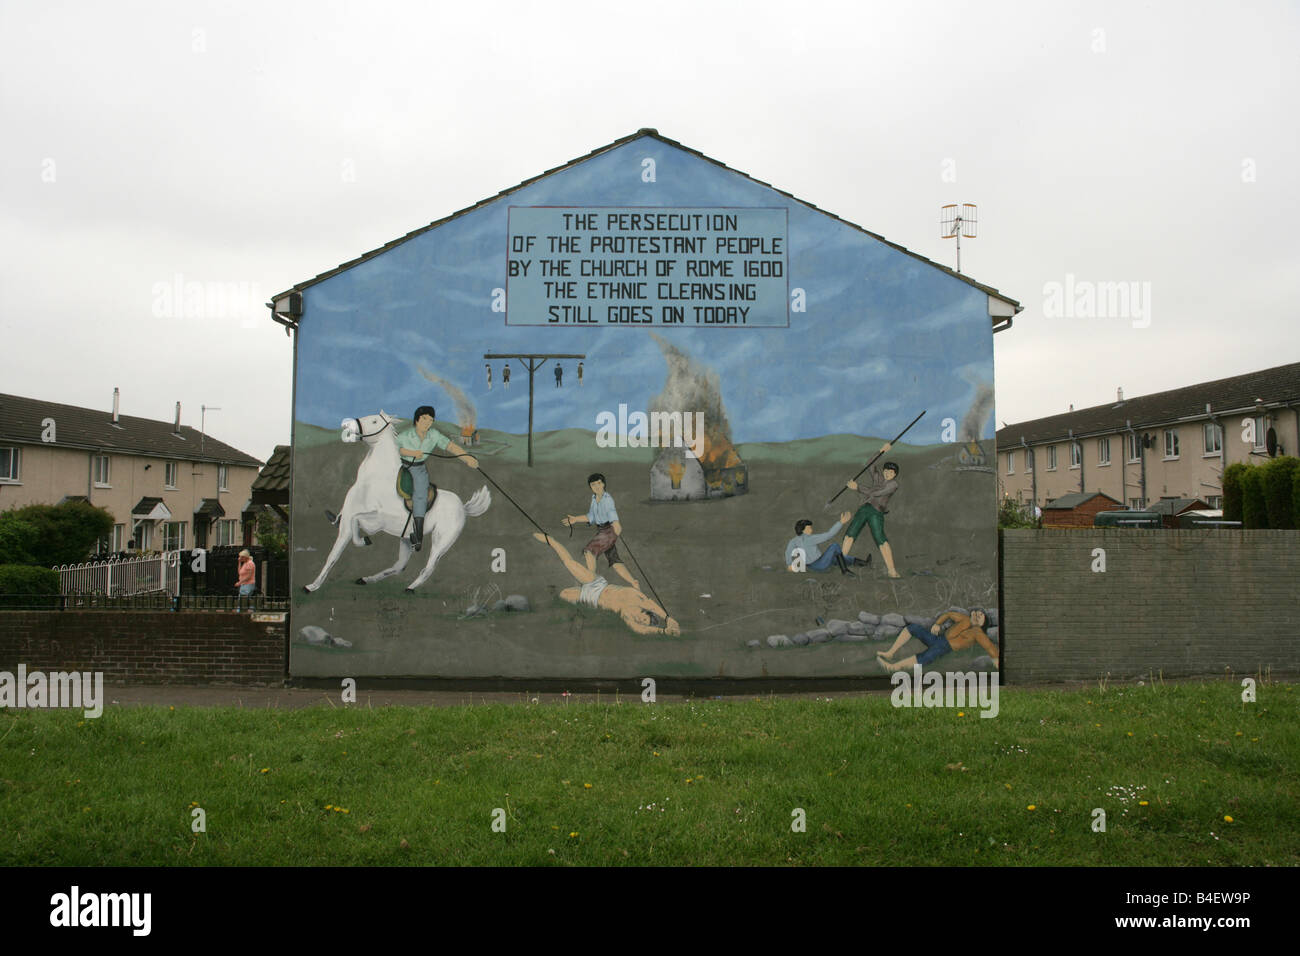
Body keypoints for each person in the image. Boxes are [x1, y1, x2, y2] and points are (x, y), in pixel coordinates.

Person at [532, 533, 679, 636]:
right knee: (570, 564)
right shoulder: (637, 598)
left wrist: (663, 631)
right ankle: (551, 541)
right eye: (644, 617)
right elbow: (651, 604)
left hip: (590, 598)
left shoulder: (627, 617)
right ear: (644, 611)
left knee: (563, 595)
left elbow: (640, 630)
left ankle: (585, 571)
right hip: (597, 585)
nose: (640, 619)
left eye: (642, 622)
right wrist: (668, 618)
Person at [395, 405, 478, 550]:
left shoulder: (434, 435)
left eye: (431, 420)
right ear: (417, 419)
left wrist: (467, 458)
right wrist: (412, 452)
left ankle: (418, 535)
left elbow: (451, 446)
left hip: (418, 468)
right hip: (401, 465)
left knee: (420, 492)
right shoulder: (405, 435)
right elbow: (397, 448)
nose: (427, 422)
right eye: (424, 418)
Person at [562, 473, 639, 588]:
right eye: (593, 485)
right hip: (602, 530)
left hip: (609, 531)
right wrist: (575, 520)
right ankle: (634, 582)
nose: (597, 486)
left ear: (603, 484)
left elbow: (615, 520)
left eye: (599, 483)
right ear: (590, 487)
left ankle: (591, 582)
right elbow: (591, 517)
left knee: (589, 551)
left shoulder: (607, 500)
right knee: (614, 560)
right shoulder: (594, 499)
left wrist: (614, 533)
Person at [842, 443, 901, 578]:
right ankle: (841, 562)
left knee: (880, 538)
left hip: (876, 512)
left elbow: (877, 493)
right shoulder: (878, 478)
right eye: (886, 470)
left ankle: (892, 571)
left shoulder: (893, 485)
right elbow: (870, 463)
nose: (887, 473)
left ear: (895, 475)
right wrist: (881, 451)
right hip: (865, 508)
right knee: (851, 533)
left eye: (891, 472)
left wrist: (857, 487)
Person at [876, 609, 999, 671]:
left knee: (924, 657)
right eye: (978, 613)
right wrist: (937, 623)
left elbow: (989, 647)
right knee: (913, 628)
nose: (978, 615)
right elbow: (949, 614)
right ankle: (891, 653)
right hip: (938, 638)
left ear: (983, 624)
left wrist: (996, 660)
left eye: (981, 616)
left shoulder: (978, 632)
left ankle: (894, 667)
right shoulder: (965, 619)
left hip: (945, 647)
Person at [784, 512, 868, 575]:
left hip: (811, 566)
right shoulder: (810, 538)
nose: (811, 530)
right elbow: (829, 535)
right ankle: (845, 570)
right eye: (809, 528)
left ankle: (864, 563)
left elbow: (788, 552)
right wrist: (841, 522)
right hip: (820, 564)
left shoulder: (793, 541)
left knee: (837, 557)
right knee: (835, 546)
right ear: (803, 530)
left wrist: (789, 564)